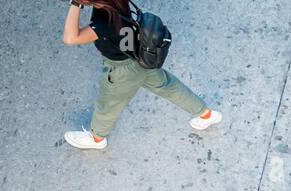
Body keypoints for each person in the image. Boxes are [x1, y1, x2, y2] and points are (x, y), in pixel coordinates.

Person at [61, 0, 221, 150]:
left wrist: (75, 4)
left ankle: (97, 139)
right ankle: (206, 114)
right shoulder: (118, 4)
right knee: (169, 86)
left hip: (122, 71)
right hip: (138, 56)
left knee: (108, 105)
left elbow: (70, 38)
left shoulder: (102, 25)